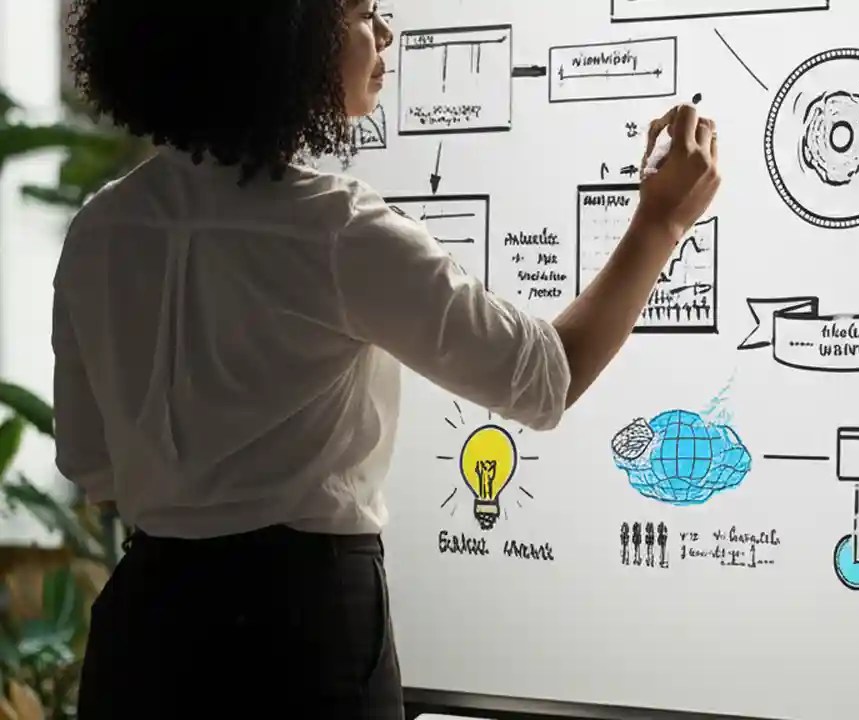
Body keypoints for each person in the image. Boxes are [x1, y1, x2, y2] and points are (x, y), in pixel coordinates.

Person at [55, 0, 720, 717]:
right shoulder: (336, 229)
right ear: (287, 36)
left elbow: (94, 471)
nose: (386, 34)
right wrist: (662, 221)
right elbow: (547, 378)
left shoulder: (98, 229)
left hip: (145, 636)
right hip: (302, 640)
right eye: (364, 12)